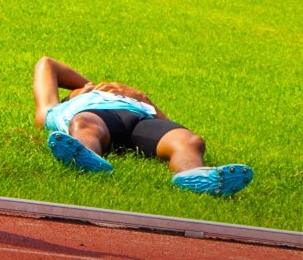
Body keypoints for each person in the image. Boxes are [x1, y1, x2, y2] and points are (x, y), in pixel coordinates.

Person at [32, 56, 253, 197]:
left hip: (140, 119)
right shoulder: (58, 109)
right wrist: (85, 86)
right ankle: (87, 157)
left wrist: (145, 100)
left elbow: (165, 123)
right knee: (85, 124)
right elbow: (47, 64)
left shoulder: (137, 101)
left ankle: (194, 176)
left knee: (189, 140)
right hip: (95, 117)